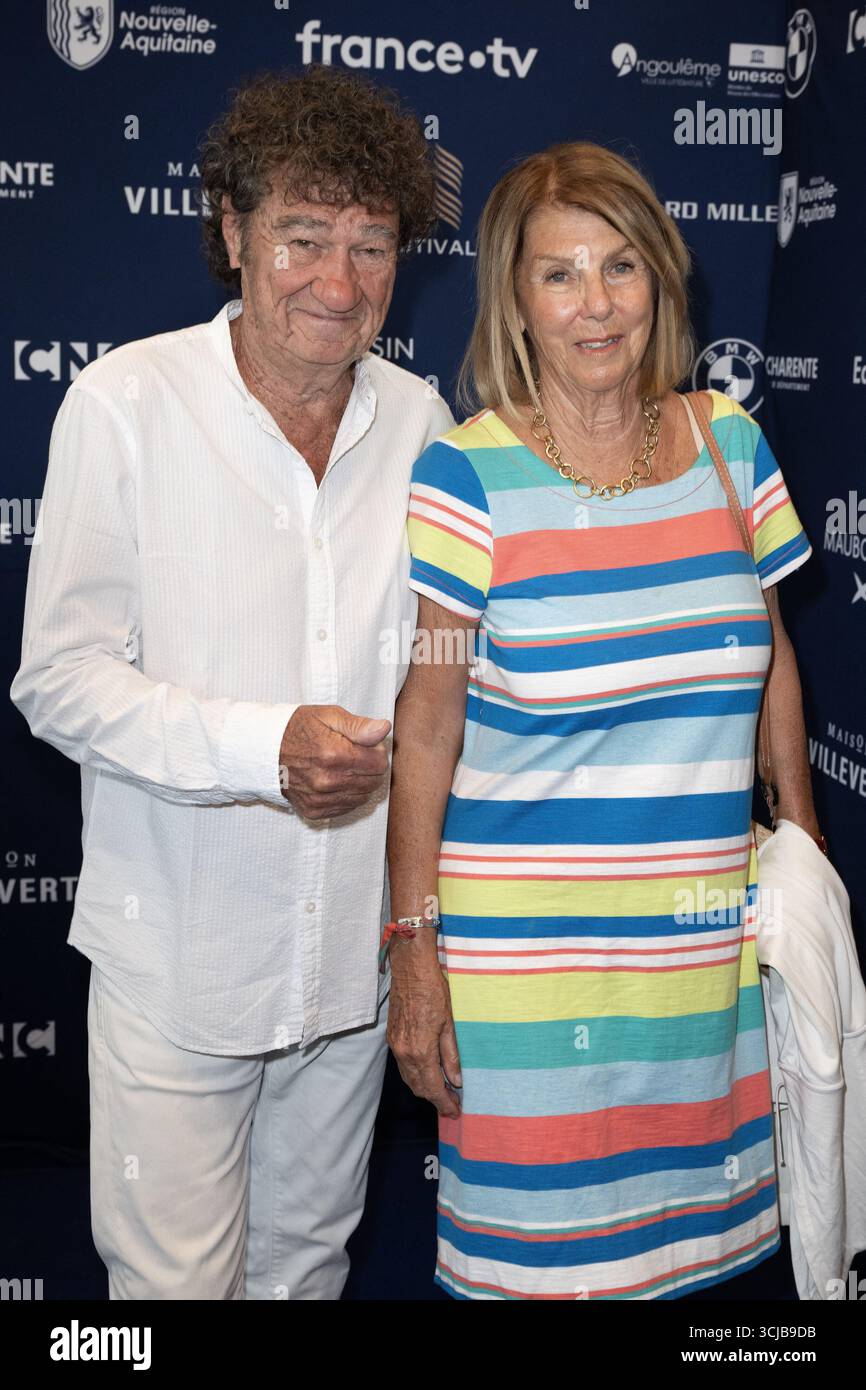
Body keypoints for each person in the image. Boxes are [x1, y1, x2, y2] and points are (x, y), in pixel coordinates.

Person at [9, 65, 453, 1300]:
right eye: (303, 237)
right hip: (181, 960)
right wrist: (263, 747)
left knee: (306, 1267)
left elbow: (439, 666)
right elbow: (59, 680)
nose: (338, 280)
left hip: (345, 968)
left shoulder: (423, 426)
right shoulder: (127, 405)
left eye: (371, 246)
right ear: (231, 231)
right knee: (167, 1293)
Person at [385, 142, 823, 1300]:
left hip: (695, 944)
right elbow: (425, 721)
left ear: (659, 281)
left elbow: (771, 654)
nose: (594, 303)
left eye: (618, 267)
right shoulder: (464, 475)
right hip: (528, 965)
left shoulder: (727, 445)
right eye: (558, 274)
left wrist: (803, 847)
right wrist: (414, 949)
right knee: (539, 1270)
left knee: (697, 1258)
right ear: (515, 303)